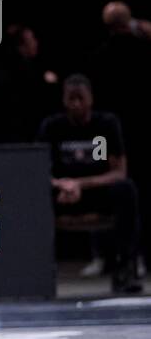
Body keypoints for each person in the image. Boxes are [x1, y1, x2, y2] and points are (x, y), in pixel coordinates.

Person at [37, 75, 142, 293]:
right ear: (63, 101)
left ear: (91, 100)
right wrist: (60, 185)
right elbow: (36, 171)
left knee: (126, 190)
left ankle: (125, 267)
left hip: (97, 193)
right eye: (71, 99)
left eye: (80, 99)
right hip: (63, 195)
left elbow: (119, 172)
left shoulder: (106, 124)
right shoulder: (52, 126)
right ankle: (38, 271)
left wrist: (79, 184)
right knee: (35, 194)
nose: (76, 104)